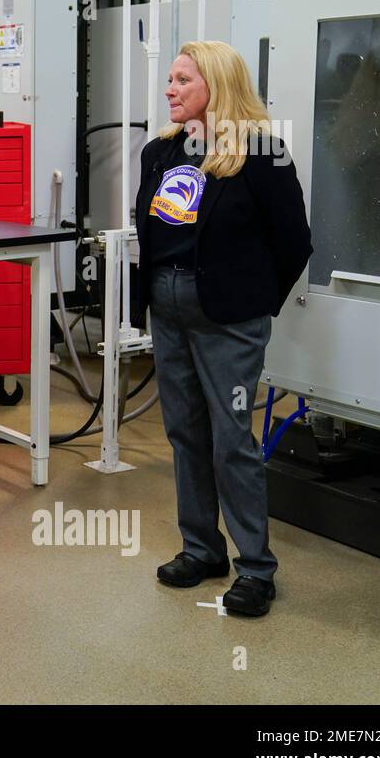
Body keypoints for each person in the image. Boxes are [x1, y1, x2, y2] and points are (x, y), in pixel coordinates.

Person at [133, 40, 312, 617]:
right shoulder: (160, 152)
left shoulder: (262, 154)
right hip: (169, 309)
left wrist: (253, 303)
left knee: (231, 436)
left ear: (216, 85)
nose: (170, 89)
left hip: (228, 317)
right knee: (184, 431)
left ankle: (255, 569)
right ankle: (201, 548)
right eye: (171, 79)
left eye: (183, 80)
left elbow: (294, 243)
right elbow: (153, 230)